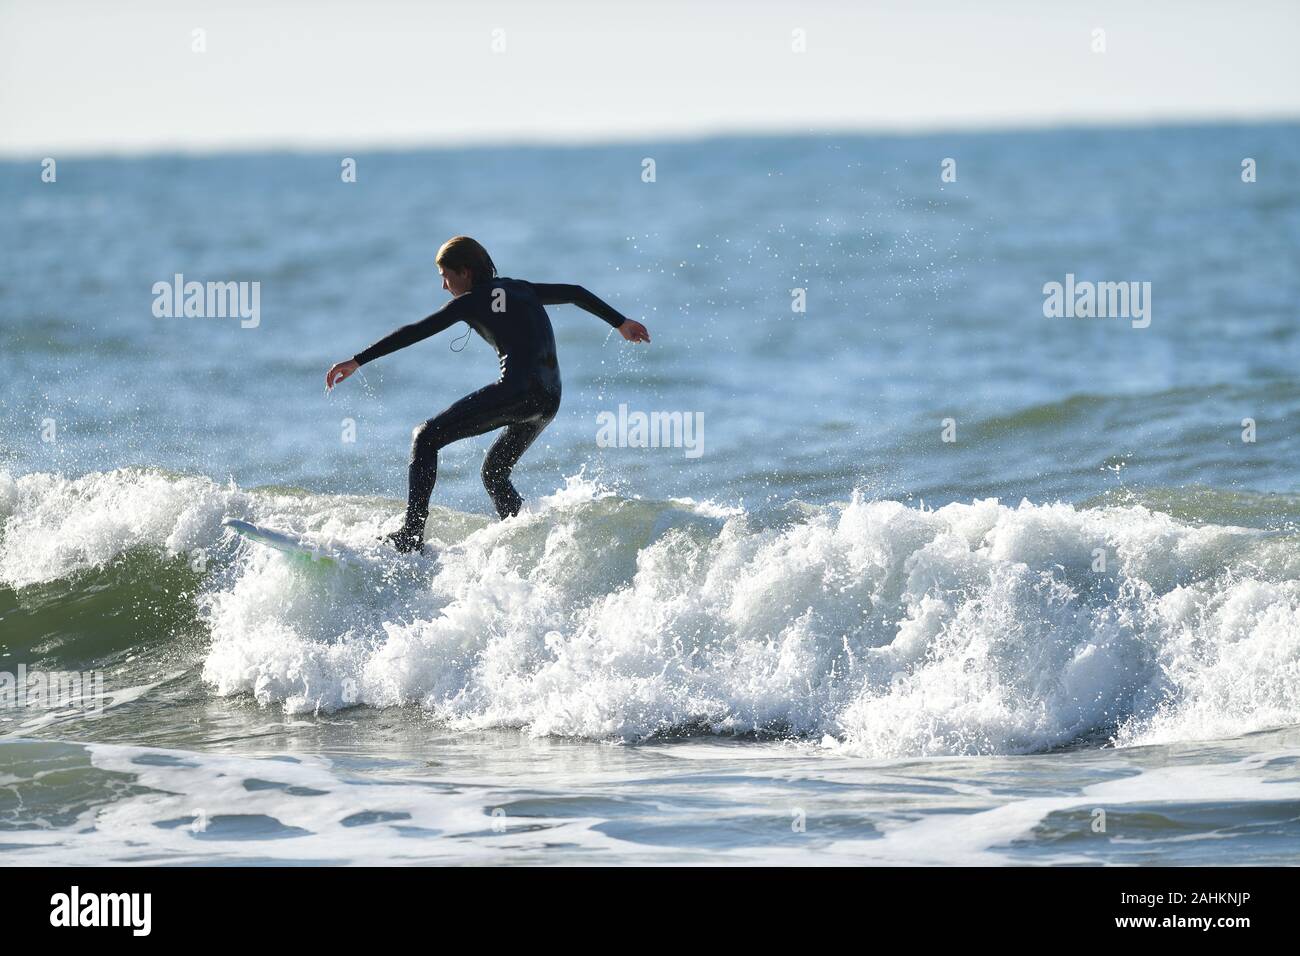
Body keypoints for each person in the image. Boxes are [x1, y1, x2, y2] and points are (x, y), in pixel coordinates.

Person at [325, 236, 651, 552]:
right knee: (494, 473)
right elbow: (576, 292)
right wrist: (620, 322)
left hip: (519, 391)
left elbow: (416, 331)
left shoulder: (471, 300)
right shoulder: (521, 288)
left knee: (425, 437)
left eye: (445, 277)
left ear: (465, 272)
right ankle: (527, 541)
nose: (443, 286)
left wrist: (358, 360)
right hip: (549, 399)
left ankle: (410, 536)